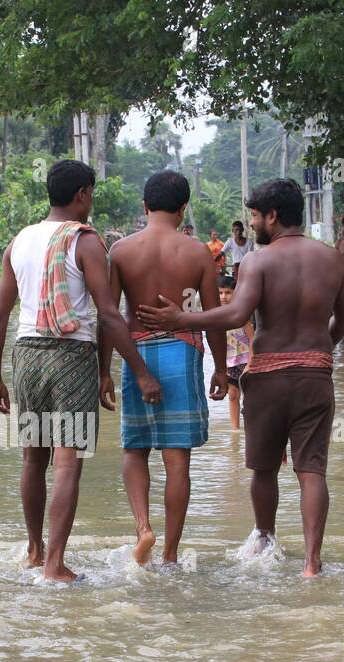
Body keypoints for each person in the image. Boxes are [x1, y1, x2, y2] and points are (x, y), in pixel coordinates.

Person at [138, 178, 344, 576]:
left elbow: (236, 315)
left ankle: (265, 539)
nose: (252, 224)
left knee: (264, 467)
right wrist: (320, 348)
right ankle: (311, 563)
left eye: (254, 216)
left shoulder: (258, 260)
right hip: (316, 375)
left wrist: (181, 318)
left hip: (269, 375)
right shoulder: (332, 259)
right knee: (311, 470)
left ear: (272, 216)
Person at [0, 160, 161, 582]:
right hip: (71, 356)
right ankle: (54, 565)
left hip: (27, 354)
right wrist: (139, 372)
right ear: (82, 193)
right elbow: (107, 314)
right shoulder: (86, 242)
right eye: (91, 195)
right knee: (67, 464)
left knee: (33, 458)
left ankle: (34, 550)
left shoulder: (20, 240)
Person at [109, 171, 227, 565]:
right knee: (177, 458)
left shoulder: (121, 251)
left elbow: (110, 318)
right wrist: (222, 369)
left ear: (144, 207)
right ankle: (171, 554)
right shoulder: (197, 253)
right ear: (182, 209)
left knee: (135, 449)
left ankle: (143, 528)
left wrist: (104, 370)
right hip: (182, 352)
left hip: (136, 354)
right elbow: (213, 317)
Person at [218, 275, 253, 430]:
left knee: (249, 398)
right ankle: (235, 432)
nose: (223, 297)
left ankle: (250, 429)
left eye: (227, 292)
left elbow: (253, 340)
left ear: (236, 293)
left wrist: (251, 363)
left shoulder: (242, 315)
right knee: (232, 396)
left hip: (246, 361)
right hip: (229, 362)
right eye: (220, 293)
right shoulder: (217, 316)